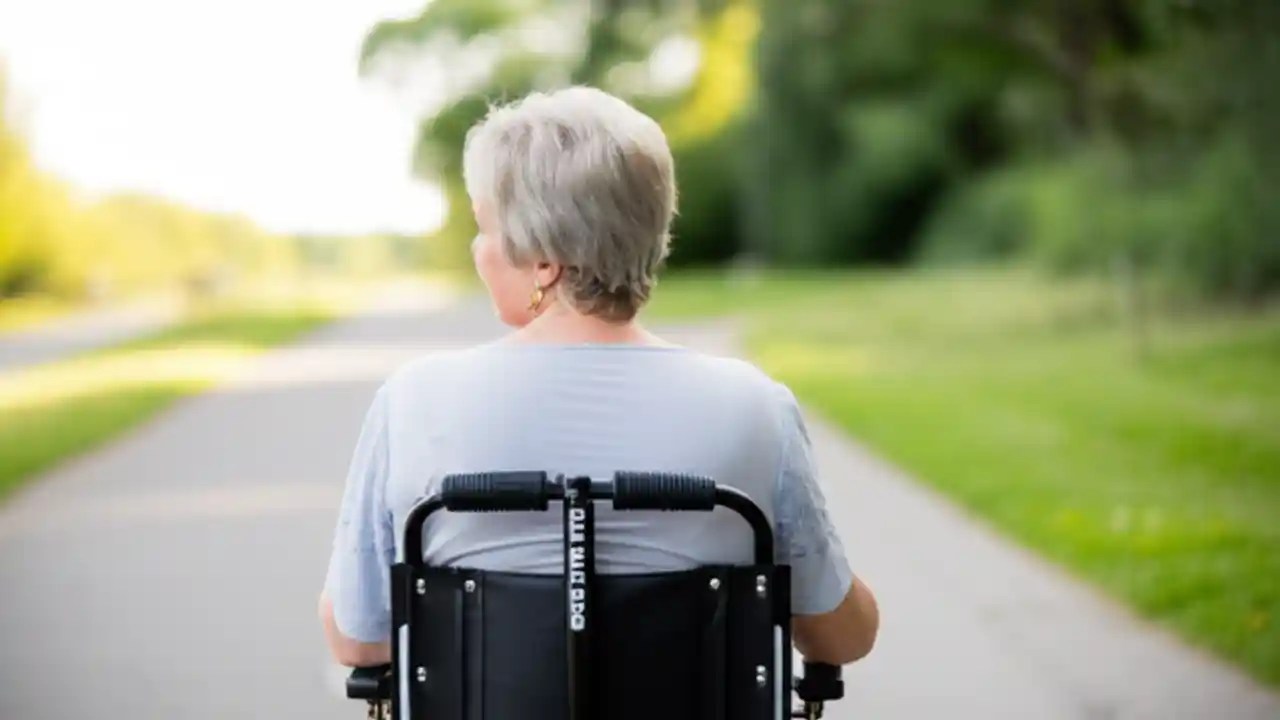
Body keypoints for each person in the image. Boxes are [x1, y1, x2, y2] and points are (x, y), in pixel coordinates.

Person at [318, 86, 878, 671]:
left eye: (484, 226)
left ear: (542, 259)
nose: (477, 249)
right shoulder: (754, 404)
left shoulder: (413, 400)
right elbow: (843, 638)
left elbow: (359, 639)